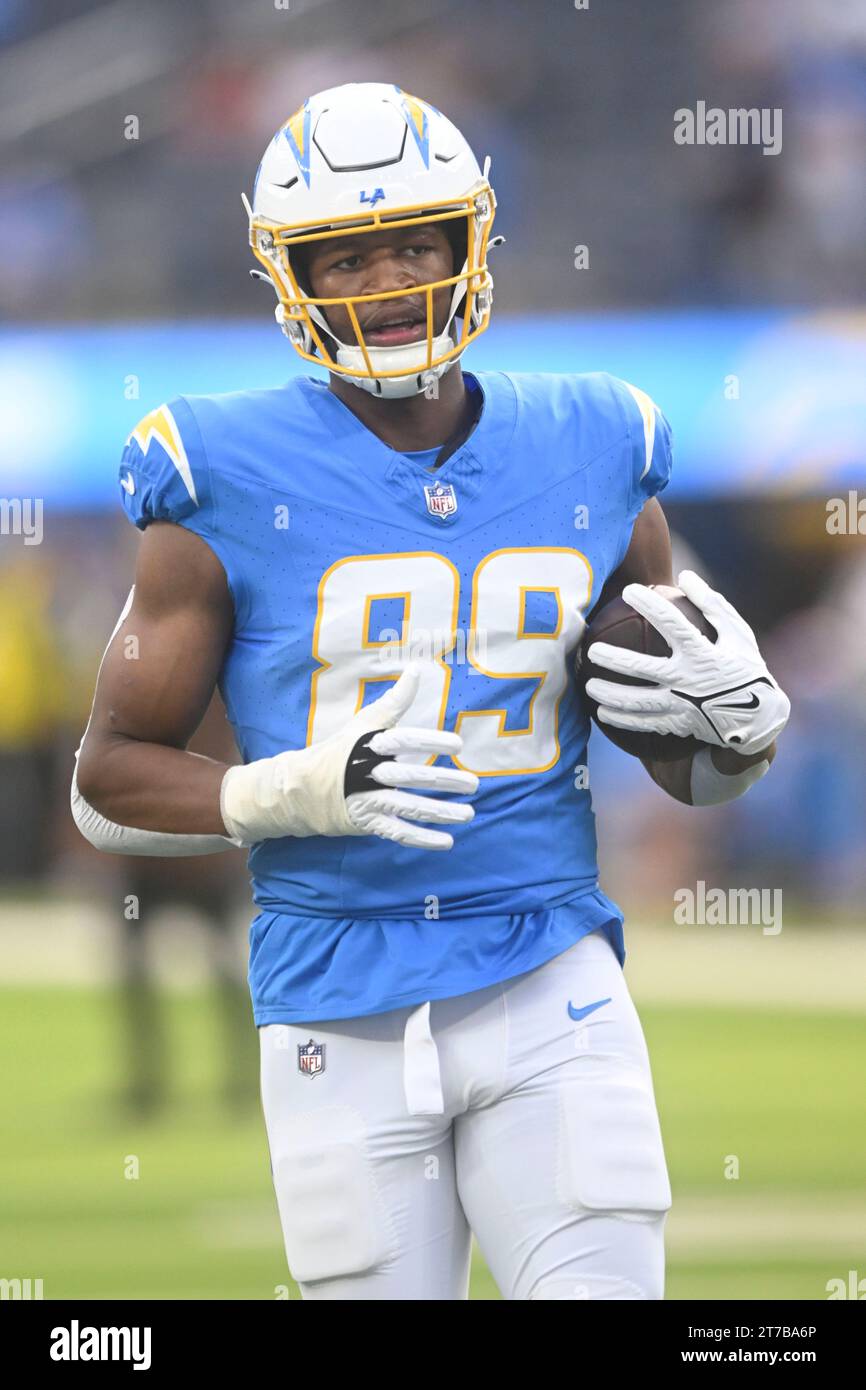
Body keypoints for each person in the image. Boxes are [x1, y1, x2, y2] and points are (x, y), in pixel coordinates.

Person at [72, 82, 790, 1300]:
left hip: (550, 976)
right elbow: (106, 783)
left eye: (414, 241)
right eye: (344, 255)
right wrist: (291, 792)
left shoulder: (598, 438)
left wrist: (733, 738)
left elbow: (669, 734)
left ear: (472, 241)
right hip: (332, 1003)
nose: (389, 280)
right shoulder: (219, 468)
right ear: (290, 274)